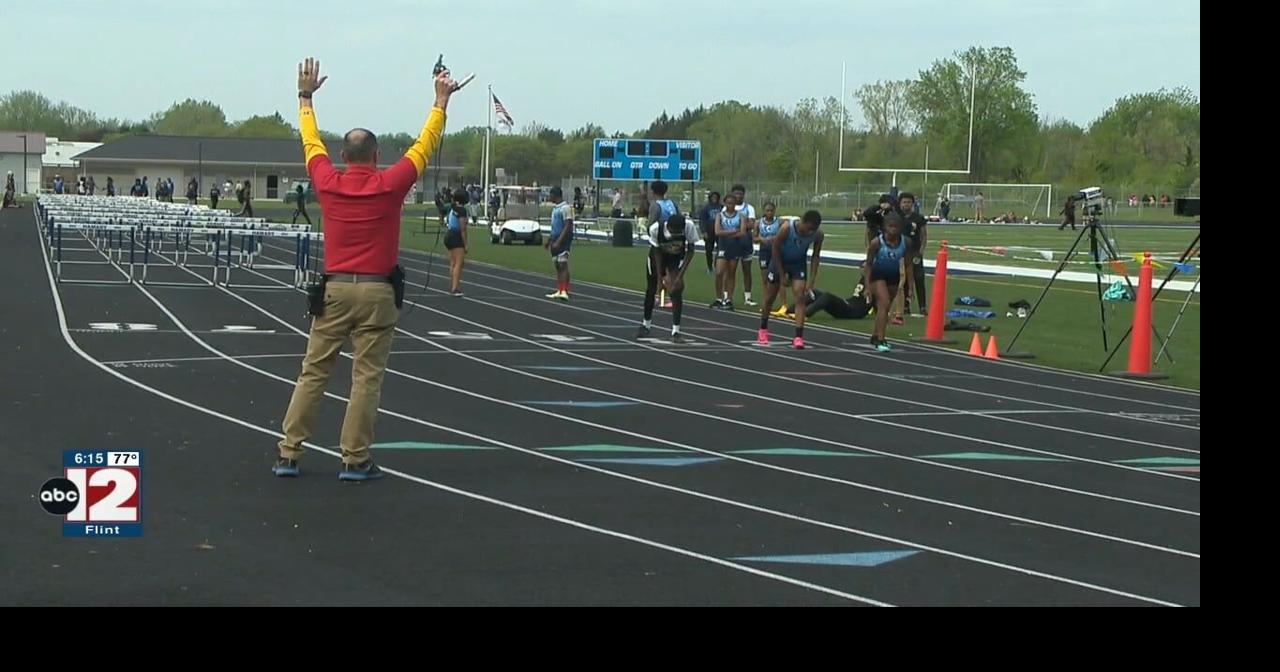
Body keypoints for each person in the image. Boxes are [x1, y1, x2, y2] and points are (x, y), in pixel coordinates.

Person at [273, 57, 460, 481]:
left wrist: (305, 98)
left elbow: (310, 142)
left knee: (313, 372)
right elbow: (424, 146)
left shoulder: (326, 180)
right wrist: (440, 102)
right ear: (376, 156)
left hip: (335, 290)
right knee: (366, 379)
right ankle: (354, 459)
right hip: (377, 292)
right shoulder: (390, 183)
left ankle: (289, 453)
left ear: (343, 155)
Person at [759, 210, 824, 349]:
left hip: (798, 264)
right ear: (803, 222)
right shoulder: (787, 228)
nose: (809, 232)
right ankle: (763, 328)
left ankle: (798, 336)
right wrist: (782, 274)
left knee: (800, 297)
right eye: (808, 228)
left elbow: (816, 257)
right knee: (770, 297)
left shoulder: (817, 234)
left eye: (813, 229)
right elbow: (775, 249)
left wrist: (811, 281)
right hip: (779, 261)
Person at [637, 203, 697, 343]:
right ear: (667, 227)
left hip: (675, 258)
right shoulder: (655, 229)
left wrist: (679, 276)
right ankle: (646, 324)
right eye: (673, 233)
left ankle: (676, 331)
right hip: (657, 258)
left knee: (677, 289)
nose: (675, 235)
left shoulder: (688, 226)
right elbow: (657, 253)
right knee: (652, 289)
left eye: (678, 234)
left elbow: (691, 251)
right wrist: (659, 279)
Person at [865, 212, 908, 352]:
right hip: (878, 275)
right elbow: (869, 264)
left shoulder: (905, 242)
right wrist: (867, 285)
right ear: (885, 227)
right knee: (884, 303)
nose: (893, 229)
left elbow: (908, 265)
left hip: (893, 276)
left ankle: (875, 336)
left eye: (896, 227)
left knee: (885, 308)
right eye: (890, 226)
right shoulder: (877, 242)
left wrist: (910, 285)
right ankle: (881, 339)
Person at [544, 186, 574, 300]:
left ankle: (565, 290)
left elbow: (567, 225)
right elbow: (554, 227)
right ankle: (560, 289)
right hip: (555, 239)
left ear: (555, 195)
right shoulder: (555, 209)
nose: (549, 197)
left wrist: (559, 241)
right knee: (557, 265)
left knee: (563, 264)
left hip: (563, 240)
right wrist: (549, 241)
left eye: (550, 195)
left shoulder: (565, 208)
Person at [444, 187, 469, 296]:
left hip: (448, 234)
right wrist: (465, 244)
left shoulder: (452, 208)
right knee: (459, 263)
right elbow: (462, 228)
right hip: (456, 236)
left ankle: (453, 285)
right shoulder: (461, 210)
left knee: (453, 263)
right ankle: (455, 288)